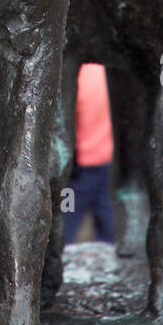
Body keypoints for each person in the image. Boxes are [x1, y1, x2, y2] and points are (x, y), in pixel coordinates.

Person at [64, 63, 116, 246]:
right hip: (109, 166)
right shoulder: (111, 71)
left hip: (76, 171)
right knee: (111, 237)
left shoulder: (72, 72)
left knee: (62, 232)